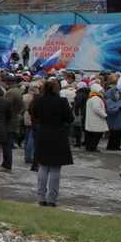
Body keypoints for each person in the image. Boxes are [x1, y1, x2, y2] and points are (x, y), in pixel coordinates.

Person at [30, 79, 75, 207]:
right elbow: (70, 118)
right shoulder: (62, 102)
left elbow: (36, 114)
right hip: (58, 135)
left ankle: (40, 196)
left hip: (43, 133)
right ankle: (52, 199)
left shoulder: (38, 101)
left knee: (43, 166)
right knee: (55, 168)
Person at [82, 83, 107, 152]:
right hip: (96, 119)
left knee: (92, 134)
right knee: (97, 134)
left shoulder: (92, 97)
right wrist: (104, 115)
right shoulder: (95, 98)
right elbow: (97, 109)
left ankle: (90, 146)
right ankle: (92, 147)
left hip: (93, 119)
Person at [105, 87, 121, 151]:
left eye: (118, 93)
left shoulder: (120, 101)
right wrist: (117, 109)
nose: (118, 95)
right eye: (116, 94)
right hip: (114, 121)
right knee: (113, 135)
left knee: (119, 135)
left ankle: (117, 146)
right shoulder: (109, 101)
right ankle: (111, 146)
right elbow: (110, 111)